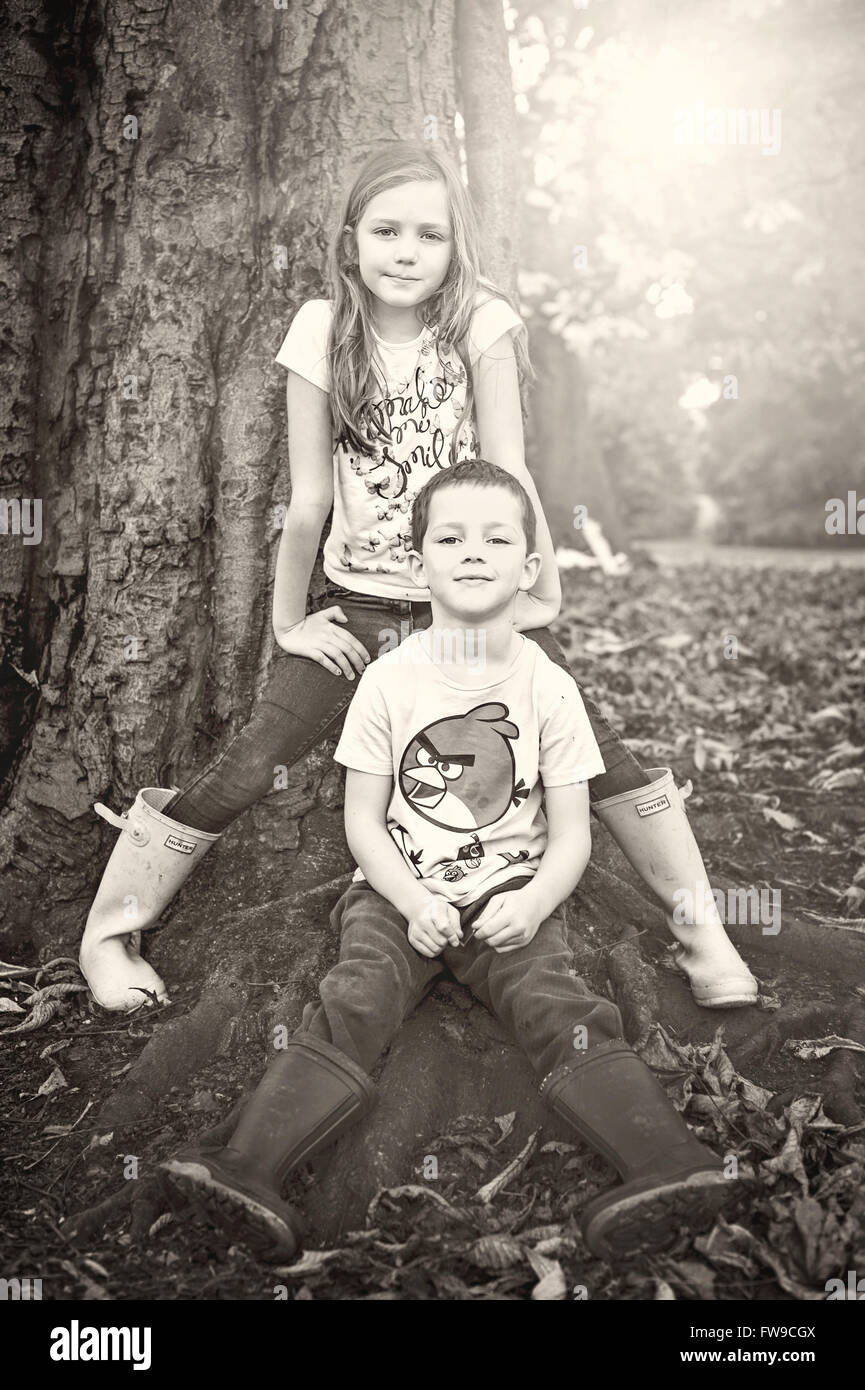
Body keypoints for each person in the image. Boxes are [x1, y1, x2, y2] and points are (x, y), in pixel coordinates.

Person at [79, 141, 757, 1015]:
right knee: (254, 758)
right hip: (359, 608)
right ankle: (106, 933)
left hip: (474, 603)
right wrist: (291, 622)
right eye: (387, 230)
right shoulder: (321, 329)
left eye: (429, 235)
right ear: (351, 237)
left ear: (454, 246)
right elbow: (309, 497)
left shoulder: (481, 324)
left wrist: (538, 584)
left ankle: (706, 933)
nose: (407, 251)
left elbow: (510, 469)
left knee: (598, 759)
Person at [160, 463, 737, 1264]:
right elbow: (361, 820)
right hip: (398, 894)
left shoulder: (549, 688)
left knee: (559, 1003)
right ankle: (245, 1168)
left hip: (511, 898)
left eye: (498, 538)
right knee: (353, 994)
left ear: (529, 569)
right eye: (451, 537)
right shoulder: (388, 681)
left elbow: (572, 834)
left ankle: (665, 1164)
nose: (473, 553)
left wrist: (533, 905)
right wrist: (407, 897)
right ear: (416, 561)